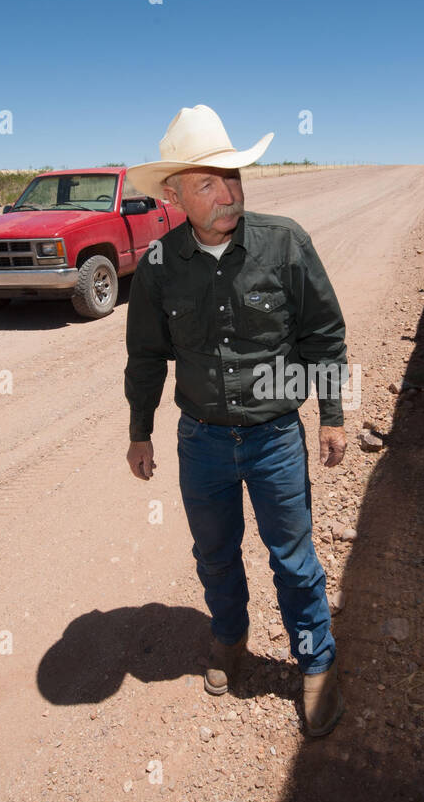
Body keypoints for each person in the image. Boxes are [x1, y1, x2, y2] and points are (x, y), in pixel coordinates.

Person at [123, 104, 349, 737]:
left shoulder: (285, 243)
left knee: (295, 559)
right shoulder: (161, 264)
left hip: (275, 437)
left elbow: (324, 334)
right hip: (201, 443)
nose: (228, 195)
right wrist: (140, 432)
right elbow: (145, 356)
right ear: (173, 195)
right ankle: (229, 640)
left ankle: (316, 665)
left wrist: (331, 415)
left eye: (234, 177)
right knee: (215, 554)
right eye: (207, 183)